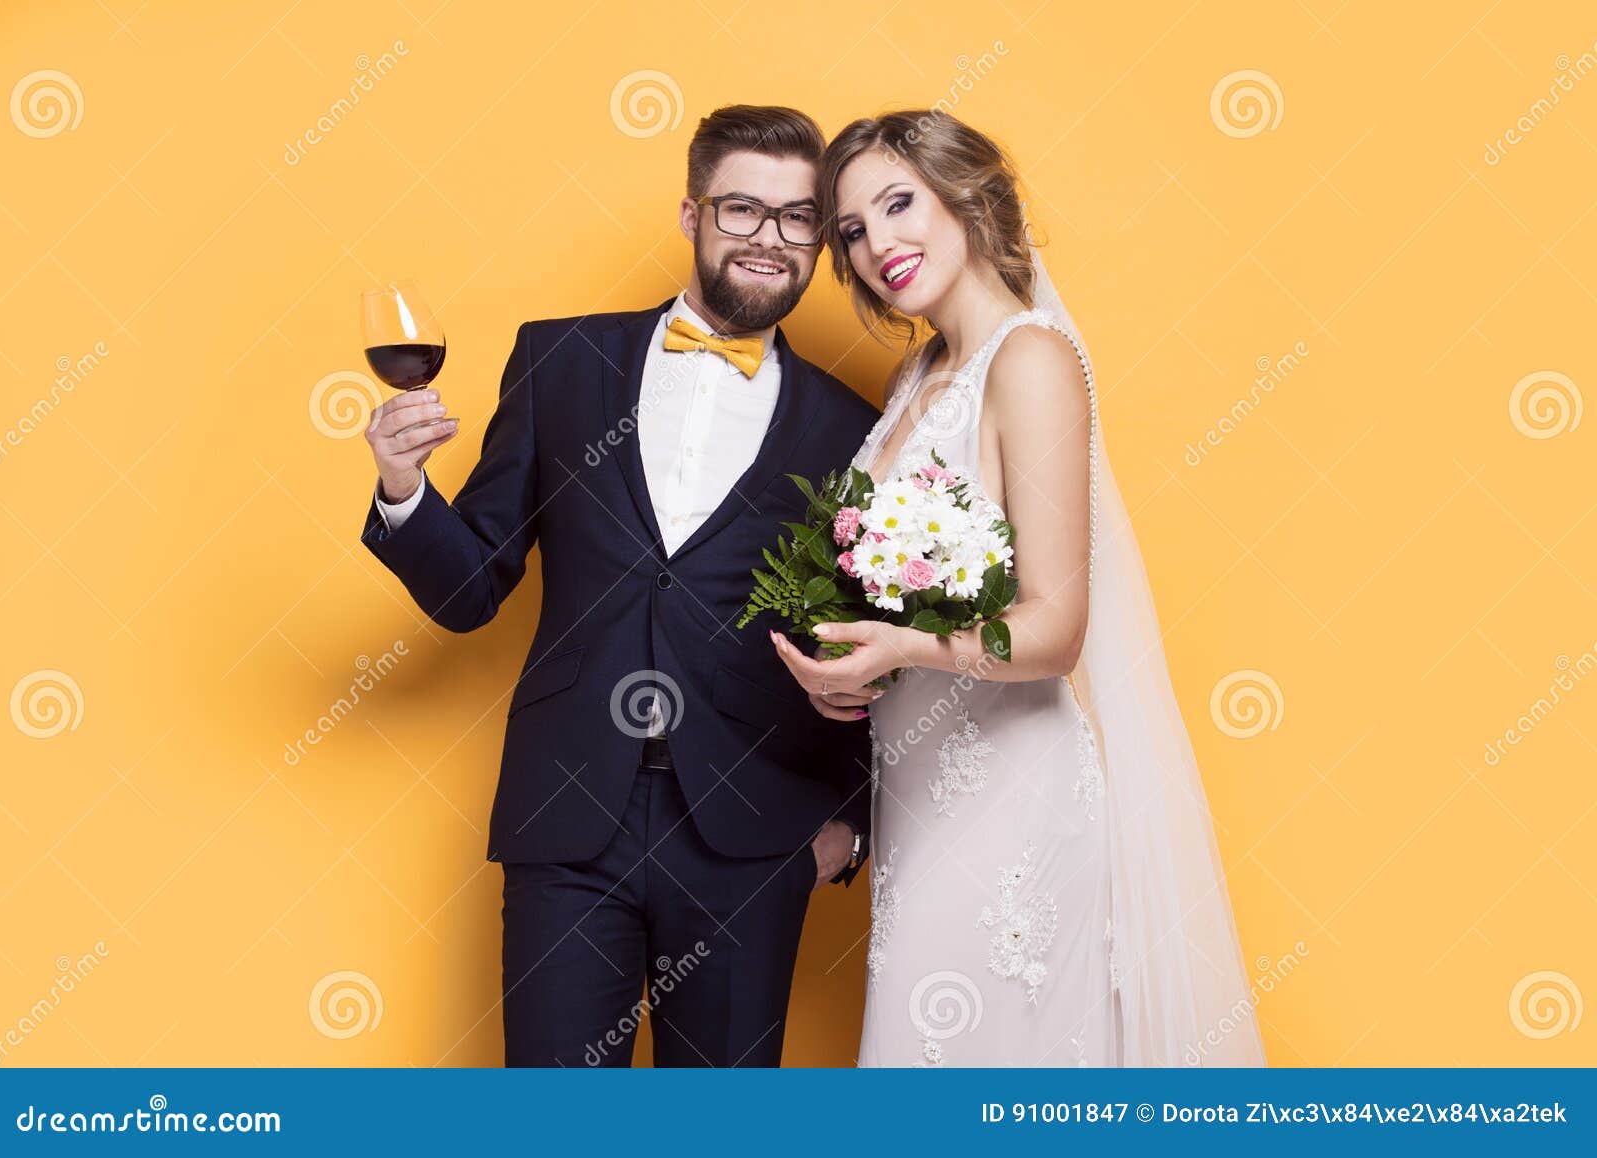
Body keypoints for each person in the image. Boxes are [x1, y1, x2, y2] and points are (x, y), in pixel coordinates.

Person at [359, 105, 879, 1067]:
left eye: (797, 218)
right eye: (740, 210)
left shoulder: (857, 426)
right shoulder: (563, 361)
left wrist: (851, 823)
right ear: (691, 215)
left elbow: (871, 634)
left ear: (819, 237)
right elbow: (471, 589)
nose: (768, 240)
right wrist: (404, 490)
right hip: (569, 818)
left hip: (752, 834)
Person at [771, 109, 1267, 1067]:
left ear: (965, 191)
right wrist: (848, 671)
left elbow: (1056, 627)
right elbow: (902, 595)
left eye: (897, 203)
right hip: (918, 786)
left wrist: (903, 649)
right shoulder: (919, 374)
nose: (879, 246)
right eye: (854, 231)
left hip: (1008, 789)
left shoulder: (1030, 359)